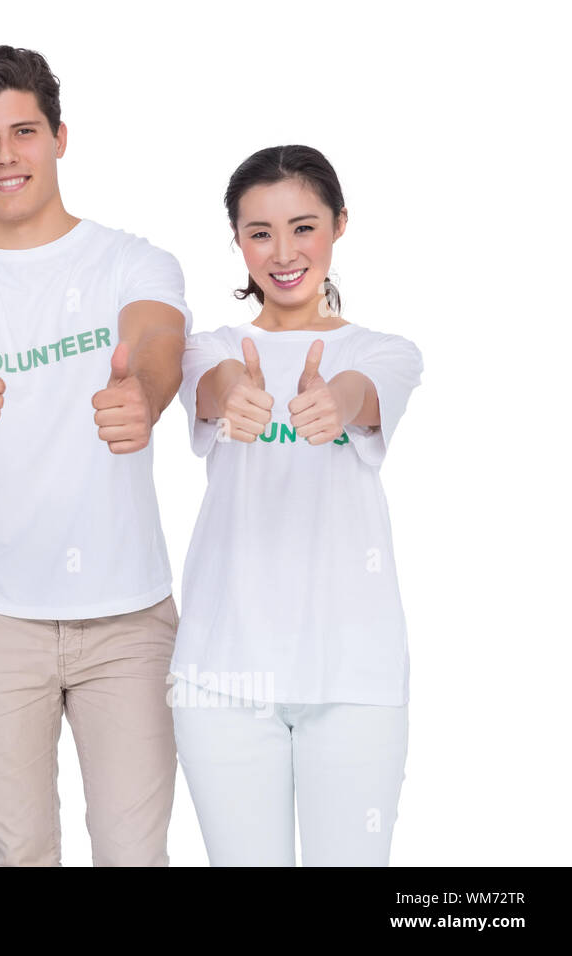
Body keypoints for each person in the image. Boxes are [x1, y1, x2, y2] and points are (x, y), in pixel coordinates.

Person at [0, 46, 192, 866]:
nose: (6, 155)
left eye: (24, 131)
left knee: (134, 854)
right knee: (19, 853)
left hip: (128, 615)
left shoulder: (133, 259)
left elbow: (159, 336)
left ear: (60, 137)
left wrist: (147, 395)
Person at [171, 145, 424, 866]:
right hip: (223, 675)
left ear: (340, 225)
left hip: (355, 676)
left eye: (304, 227)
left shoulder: (387, 351)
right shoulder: (210, 347)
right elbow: (213, 383)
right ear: (238, 241)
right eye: (259, 233)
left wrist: (334, 400)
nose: (283, 252)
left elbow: (363, 396)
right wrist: (234, 394)